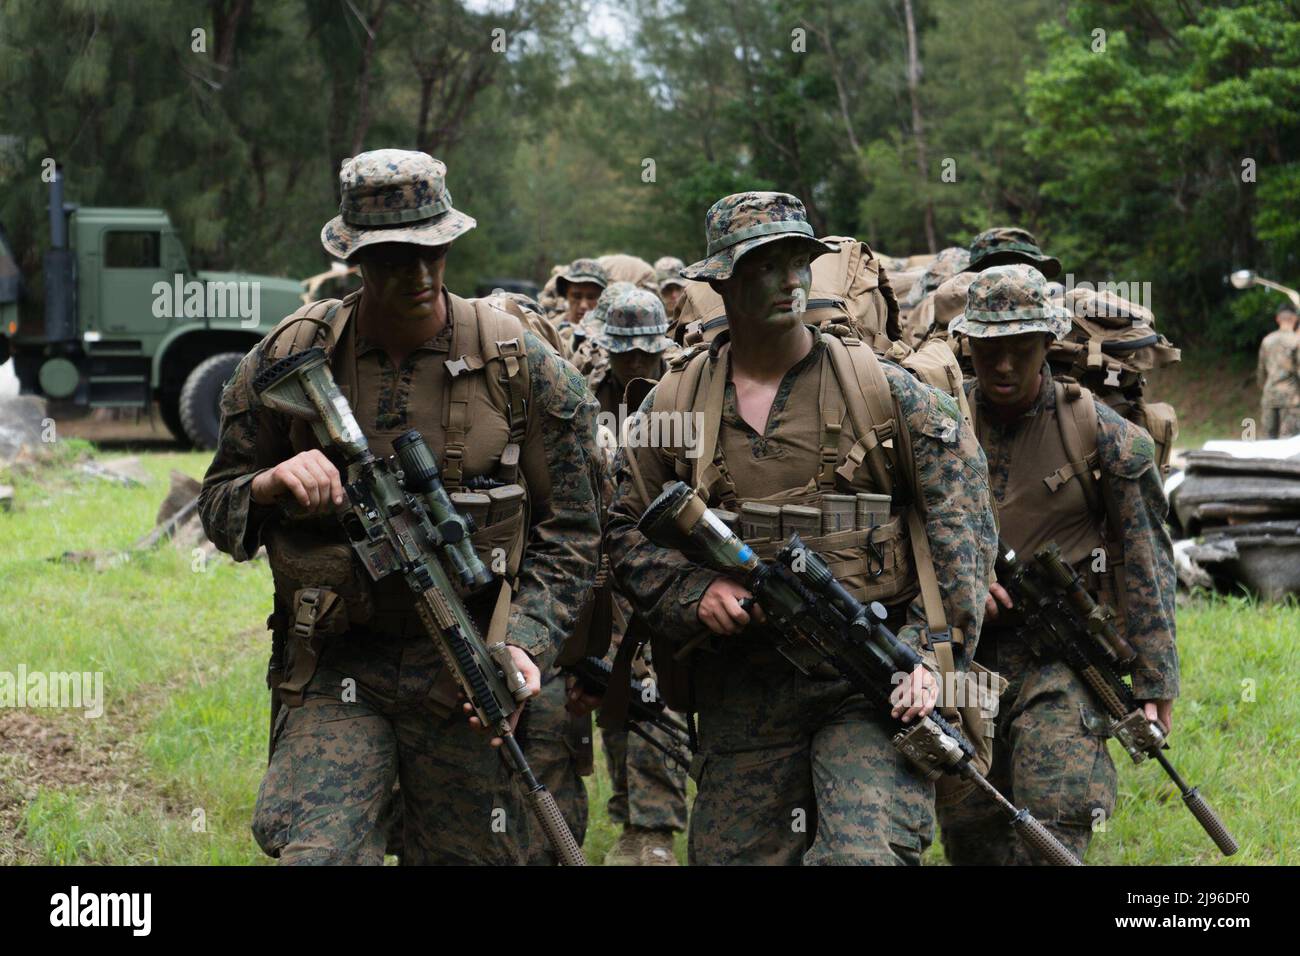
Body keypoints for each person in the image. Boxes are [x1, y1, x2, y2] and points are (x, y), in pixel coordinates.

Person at [198, 148, 601, 865]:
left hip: (469, 665)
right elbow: (220, 508)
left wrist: (524, 643)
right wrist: (270, 484)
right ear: (354, 257)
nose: (417, 276)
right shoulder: (290, 357)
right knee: (317, 852)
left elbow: (574, 529)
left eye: (432, 253)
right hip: (337, 665)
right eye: (391, 258)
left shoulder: (522, 363)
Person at [605, 191, 998, 865]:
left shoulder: (880, 389)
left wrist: (935, 659)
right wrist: (690, 592)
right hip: (742, 692)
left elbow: (962, 525)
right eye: (767, 264)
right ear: (723, 280)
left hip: (871, 683)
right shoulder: (676, 402)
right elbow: (620, 532)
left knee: (862, 856)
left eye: (799, 261)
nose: (790, 280)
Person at [937, 264, 1179, 865]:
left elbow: (1146, 557)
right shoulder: (936, 425)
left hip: (1063, 657)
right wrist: (963, 581)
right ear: (969, 345)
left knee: (1057, 812)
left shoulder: (1103, 433)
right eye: (990, 348)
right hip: (964, 653)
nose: (1004, 366)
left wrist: (1156, 681)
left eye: (1021, 348)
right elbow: (900, 537)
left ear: (1048, 342)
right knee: (973, 829)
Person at [566, 284, 690, 865]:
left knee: (657, 687)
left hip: (669, 559)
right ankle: (632, 819)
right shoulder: (582, 401)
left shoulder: (685, 395)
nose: (636, 362)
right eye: (625, 353)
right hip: (599, 566)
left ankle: (656, 827)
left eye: (646, 352)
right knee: (613, 683)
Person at [1256, 305, 1300, 439]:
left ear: (1277, 319)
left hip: (1269, 396)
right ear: (1295, 319)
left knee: (1268, 442)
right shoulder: (1296, 340)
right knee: (1288, 443)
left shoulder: (1267, 340)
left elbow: (1261, 372)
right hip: (1291, 399)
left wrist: (1264, 389)